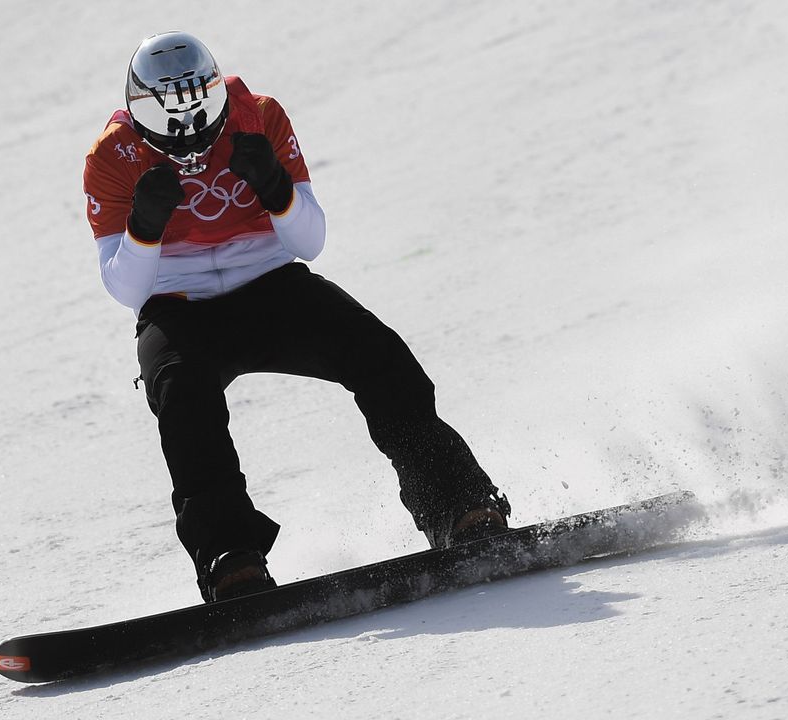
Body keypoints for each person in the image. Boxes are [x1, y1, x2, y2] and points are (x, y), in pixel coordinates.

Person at [82, 31, 510, 603]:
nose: (189, 136)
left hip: (273, 284)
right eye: (169, 122)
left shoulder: (258, 116)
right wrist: (144, 227)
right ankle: (230, 557)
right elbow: (125, 287)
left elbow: (310, 241)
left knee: (380, 357)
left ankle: (457, 504)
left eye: (200, 115)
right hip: (179, 307)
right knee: (183, 401)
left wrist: (276, 188)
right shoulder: (111, 158)